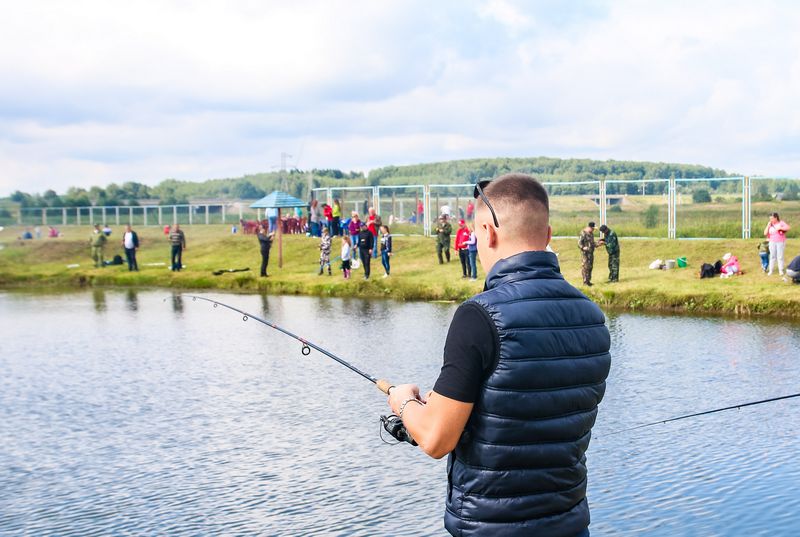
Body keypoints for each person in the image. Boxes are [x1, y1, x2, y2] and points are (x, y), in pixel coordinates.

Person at [385, 173, 611, 536]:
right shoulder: (593, 317)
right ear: (548, 235)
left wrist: (403, 402)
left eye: (476, 235)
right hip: (570, 525)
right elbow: (531, 409)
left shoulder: (479, 316)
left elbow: (436, 439)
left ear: (488, 233)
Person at [578, 221, 597, 286]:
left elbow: (592, 243)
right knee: (585, 267)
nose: (593, 230)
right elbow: (579, 243)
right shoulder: (583, 233)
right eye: (593, 228)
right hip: (585, 254)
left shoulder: (591, 234)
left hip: (591, 253)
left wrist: (597, 244)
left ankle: (588, 281)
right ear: (589, 227)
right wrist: (583, 248)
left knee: (590, 267)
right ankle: (585, 282)